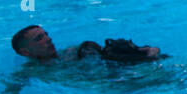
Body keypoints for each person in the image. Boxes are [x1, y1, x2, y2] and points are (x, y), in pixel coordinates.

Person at [11, 25, 162, 62]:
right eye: (39, 39)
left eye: (46, 35)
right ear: (25, 52)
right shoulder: (32, 72)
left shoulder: (73, 51)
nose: (48, 39)